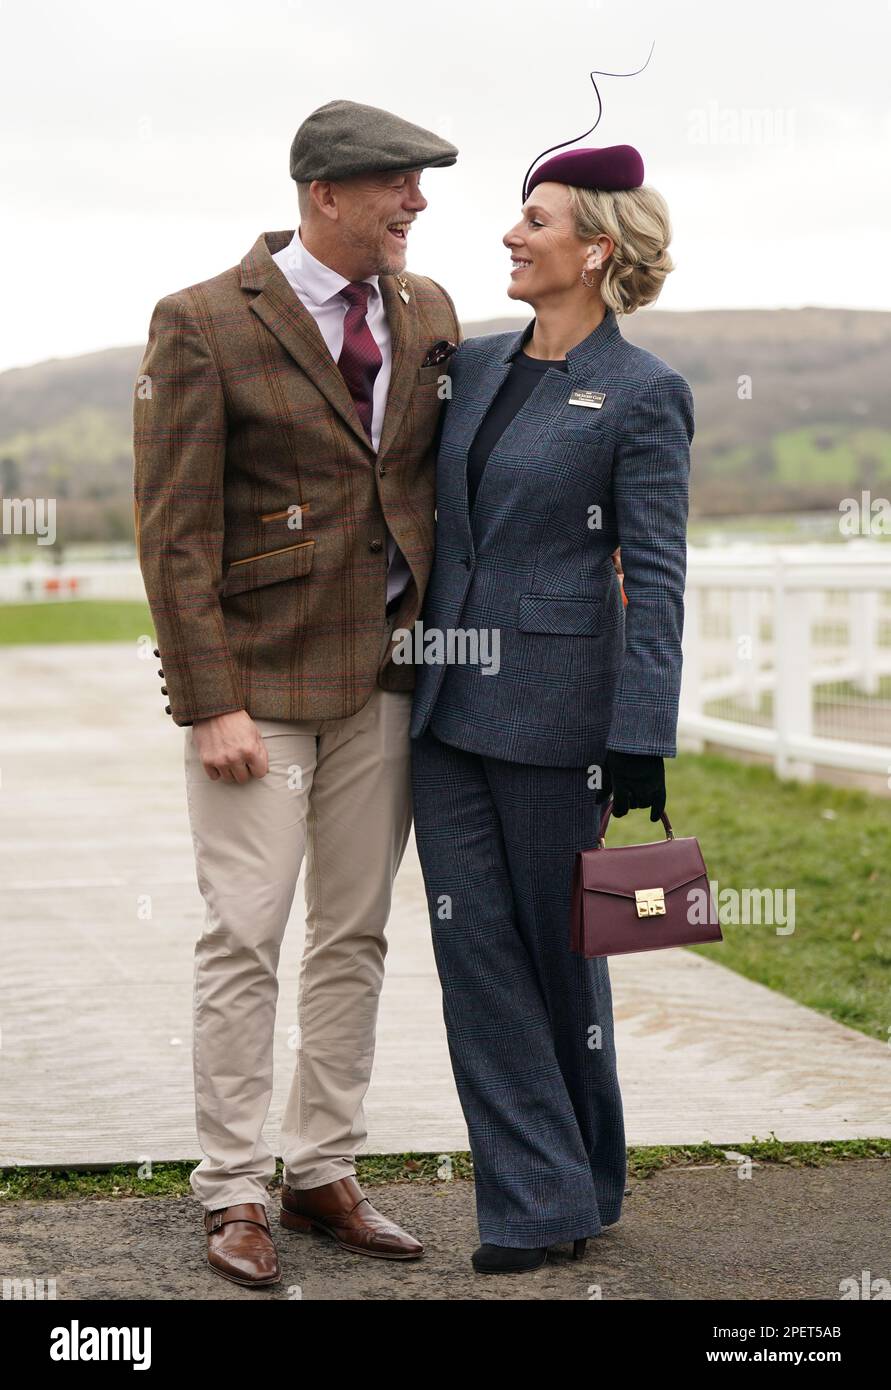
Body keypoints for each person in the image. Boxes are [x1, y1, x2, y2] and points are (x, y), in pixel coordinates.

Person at [133, 100, 460, 1288]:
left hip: (384, 682)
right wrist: (206, 699)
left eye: (422, 186)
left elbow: (429, 491)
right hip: (255, 694)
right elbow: (173, 535)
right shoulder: (203, 321)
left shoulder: (426, 311)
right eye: (399, 185)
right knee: (245, 934)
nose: (417, 204)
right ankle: (233, 1186)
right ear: (326, 193)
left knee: (356, 934)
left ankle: (324, 1169)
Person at [409, 143, 695, 1273]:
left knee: (561, 956)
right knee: (474, 958)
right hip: (442, 709)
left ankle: (586, 1174)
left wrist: (641, 731)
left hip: (560, 719)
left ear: (598, 249)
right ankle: (537, 1201)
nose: (511, 237)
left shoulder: (644, 392)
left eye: (535, 221)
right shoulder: (468, 371)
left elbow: (659, 572)